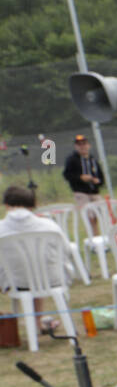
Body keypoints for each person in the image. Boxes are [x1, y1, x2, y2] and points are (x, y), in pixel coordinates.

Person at [0, 186, 78, 314]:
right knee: (36, 272)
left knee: (25, 272)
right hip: (52, 278)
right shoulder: (49, 225)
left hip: (15, 283)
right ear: (33, 205)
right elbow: (66, 250)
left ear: (6, 205)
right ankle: (38, 322)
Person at [62, 134, 103, 217]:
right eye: (79, 145)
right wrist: (80, 178)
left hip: (94, 191)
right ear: (76, 146)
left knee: (101, 214)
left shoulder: (93, 159)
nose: (82, 146)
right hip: (81, 192)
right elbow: (67, 175)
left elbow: (100, 176)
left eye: (84, 144)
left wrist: (98, 181)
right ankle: (92, 230)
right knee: (89, 216)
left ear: (88, 145)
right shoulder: (72, 159)